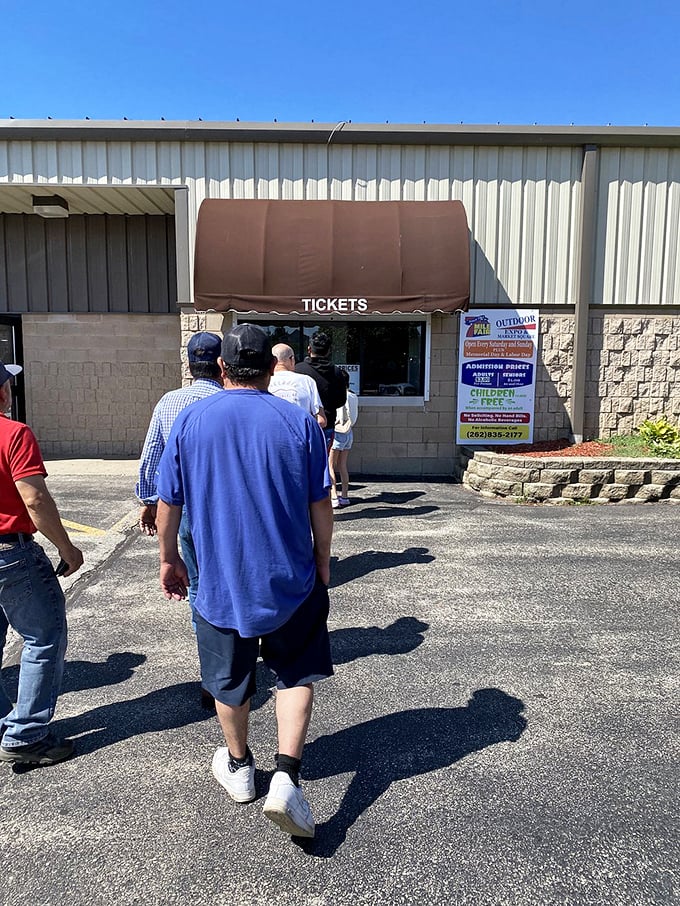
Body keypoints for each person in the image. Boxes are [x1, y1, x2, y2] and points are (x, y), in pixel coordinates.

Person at [156, 324, 333, 839]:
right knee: (295, 673)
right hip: (291, 576)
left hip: (220, 580)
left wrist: (169, 559)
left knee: (229, 679)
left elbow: (169, 503)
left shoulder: (191, 419)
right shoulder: (298, 422)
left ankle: (239, 767)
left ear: (223, 367)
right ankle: (286, 778)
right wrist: (323, 561)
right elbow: (320, 502)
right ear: (271, 369)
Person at [0, 361, 84, 767]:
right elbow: (34, 499)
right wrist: (67, 549)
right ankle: (27, 734)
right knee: (44, 637)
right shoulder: (14, 434)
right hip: (10, 553)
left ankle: (8, 723)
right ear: (2, 392)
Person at [136, 331, 223, 709]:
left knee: (198, 585)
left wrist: (148, 501)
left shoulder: (169, 402)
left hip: (183, 508)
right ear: (222, 364)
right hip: (226, 507)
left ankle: (212, 674)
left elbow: (152, 456)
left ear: (189, 364)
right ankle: (235, 662)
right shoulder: (229, 401)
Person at [295, 331, 346, 451]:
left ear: (309, 349)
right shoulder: (336, 372)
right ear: (329, 351)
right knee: (322, 460)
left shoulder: (298, 370)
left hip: (302, 425)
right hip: (327, 424)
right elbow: (341, 401)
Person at [269, 343, 326, 428]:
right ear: (292, 359)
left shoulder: (263, 382)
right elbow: (321, 421)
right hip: (300, 434)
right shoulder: (307, 381)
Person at [329, 369, 359, 509]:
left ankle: (334, 496)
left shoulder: (338, 395)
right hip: (349, 432)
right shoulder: (353, 396)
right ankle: (345, 496)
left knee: (330, 465)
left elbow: (339, 416)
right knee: (342, 465)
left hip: (338, 431)